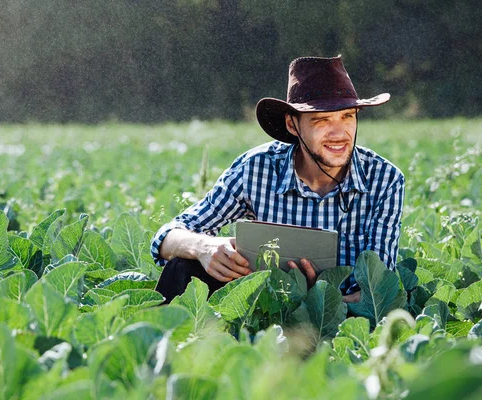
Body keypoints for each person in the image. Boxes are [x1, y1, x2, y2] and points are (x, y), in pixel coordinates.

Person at [151, 56, 404, 303]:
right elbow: (166, 238)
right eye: (322, 120)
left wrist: (320, 300)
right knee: (182, 265)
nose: (339, 133)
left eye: (347, 116)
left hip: (339, 322)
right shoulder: (255, 168)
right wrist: (204, 247)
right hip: (261, 309)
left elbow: (377, 291)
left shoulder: (385, 180)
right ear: (293, 125)